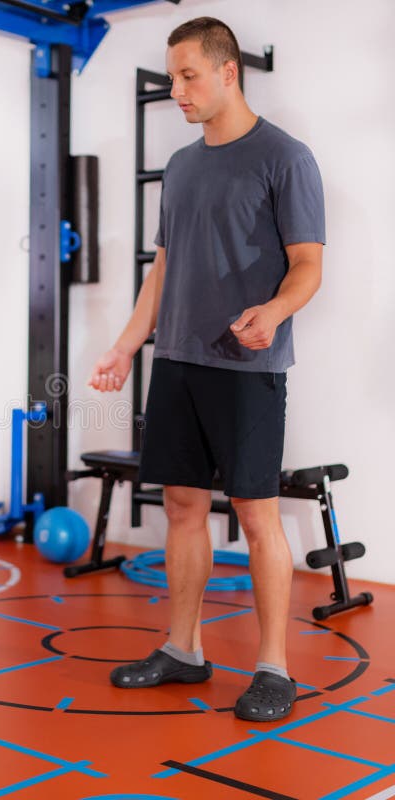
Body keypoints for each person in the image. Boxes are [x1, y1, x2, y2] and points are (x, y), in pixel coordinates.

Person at [90, 17, 324, 722]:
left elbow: (309, 266)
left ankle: (273, 669)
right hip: (179, 363)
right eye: (171, 77)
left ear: (228, 73)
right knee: (184, 510)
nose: (176, 90)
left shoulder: (286, 157)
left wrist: (275, 311)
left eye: (189, 75)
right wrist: (129, 343)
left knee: (256, 517)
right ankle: (184, 650)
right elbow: (163, 269)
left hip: (249, 369)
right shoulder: (183, 167)